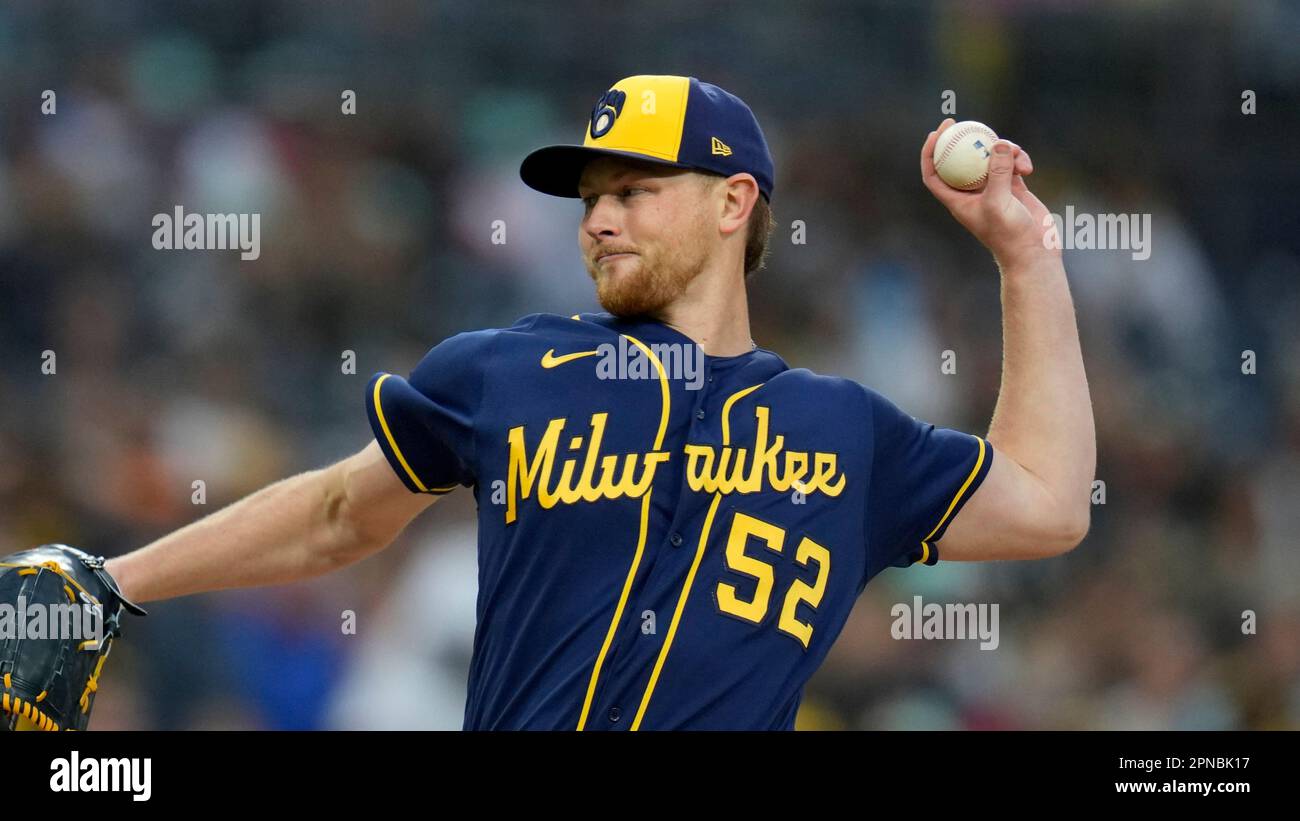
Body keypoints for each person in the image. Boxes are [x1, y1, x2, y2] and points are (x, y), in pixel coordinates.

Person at [105, 75, 1095, 730]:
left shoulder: (843, 428)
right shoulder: (508, 371)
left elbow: (1049, 502)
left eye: (634, 190)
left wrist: (1024, 252)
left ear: (732, 202)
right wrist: (110, 582)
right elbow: (333, 515)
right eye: (590, 198)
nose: (599, 220)